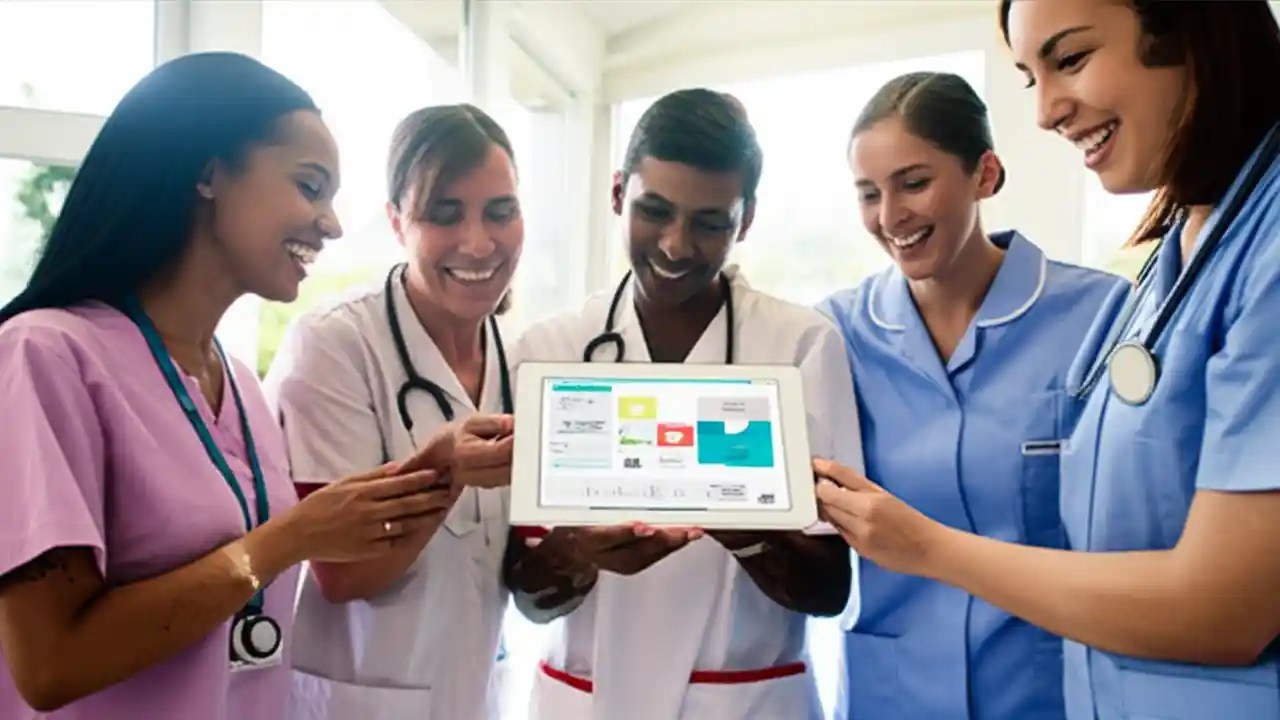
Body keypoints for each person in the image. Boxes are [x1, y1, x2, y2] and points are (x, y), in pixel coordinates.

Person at [0, 52, 506, 720]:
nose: (328, 222)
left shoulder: (235, 381)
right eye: (309, 185)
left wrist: (436, 467)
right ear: (209, 174)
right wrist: (286, 541)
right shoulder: (46, 355)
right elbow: (50, 662)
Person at [815, 2, 1280, 719]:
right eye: (1032, 77)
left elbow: (1226, 602)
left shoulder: (1112, 303)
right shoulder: (1175, 268)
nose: (1046, 112)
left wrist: (931, 548)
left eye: (1069, 59)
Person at [503, 88, 864, 720]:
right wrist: (578, 552)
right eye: (653, 210)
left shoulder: (799, 345)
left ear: (744, 221)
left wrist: (745, 528)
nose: (675, 244)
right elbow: (529, 597)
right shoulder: (551, 348)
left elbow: (831, 588)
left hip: (741, 703)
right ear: (618, 195)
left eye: (709, 222)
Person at [816, 71, 1125, 720]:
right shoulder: (833, 334)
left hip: (1045, 695)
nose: (890, 216)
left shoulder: (1105, 318)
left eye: (915, 182)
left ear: (985, 175)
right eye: (868, 193)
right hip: (889, 699)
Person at [262, 103, 522, 720]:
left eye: (500, 212)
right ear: (397, 221)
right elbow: (344, 575)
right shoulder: (333, 346)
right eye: (445, 214)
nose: (479, 242)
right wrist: (448, 471)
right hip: (354, 699)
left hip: (476, 693)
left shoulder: (516, 357)